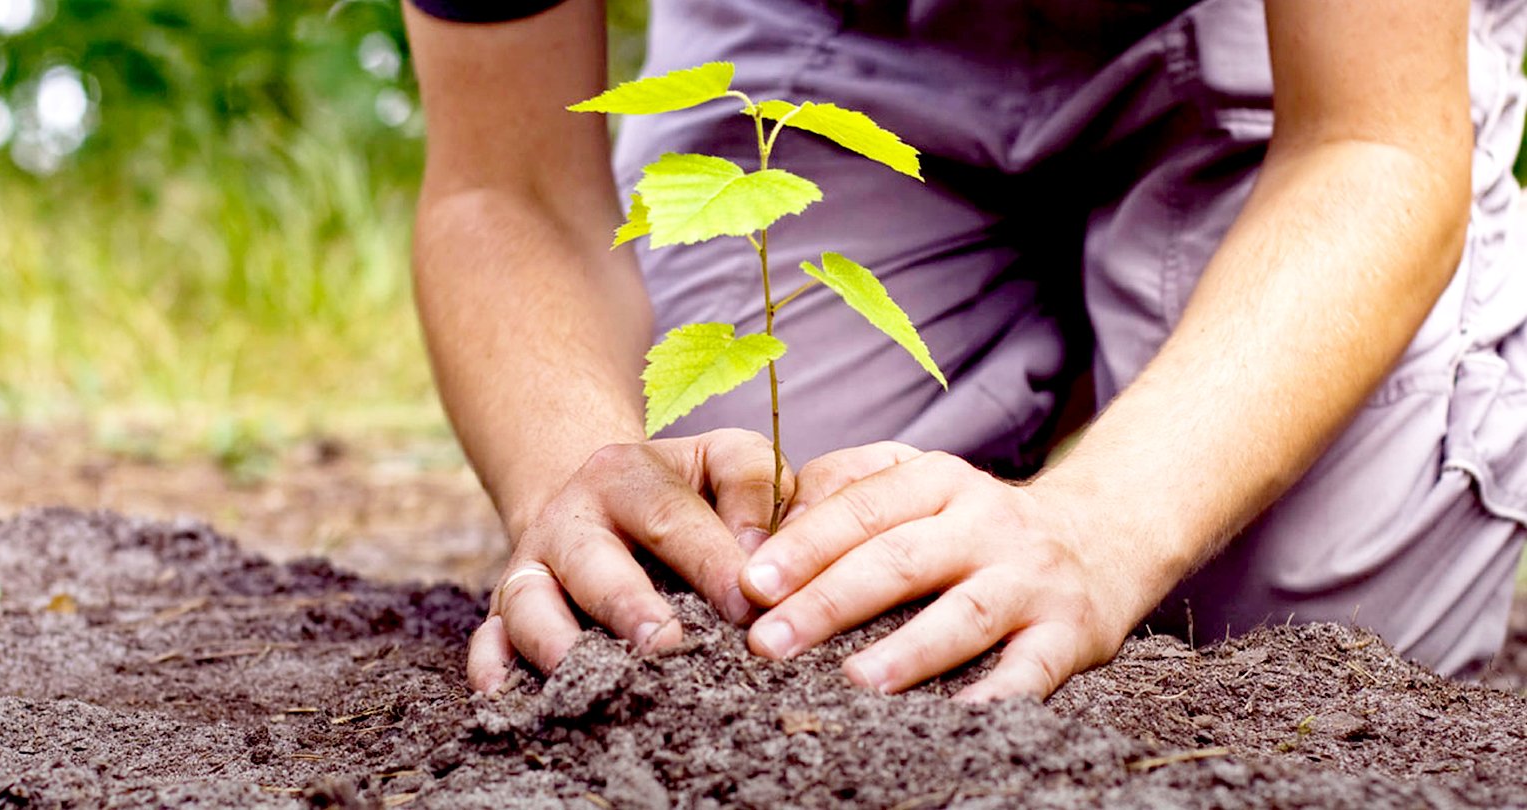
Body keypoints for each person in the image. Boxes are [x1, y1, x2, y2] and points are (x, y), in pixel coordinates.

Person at [402, 0, 1527, 701]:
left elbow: (1371, 140)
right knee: (750, 556)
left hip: (1278, 40)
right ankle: (1051, 330)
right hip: (833, 31)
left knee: (1304, 631)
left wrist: (1103, 523)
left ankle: (1109, 359)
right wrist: (574, 475)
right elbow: (508, 184)